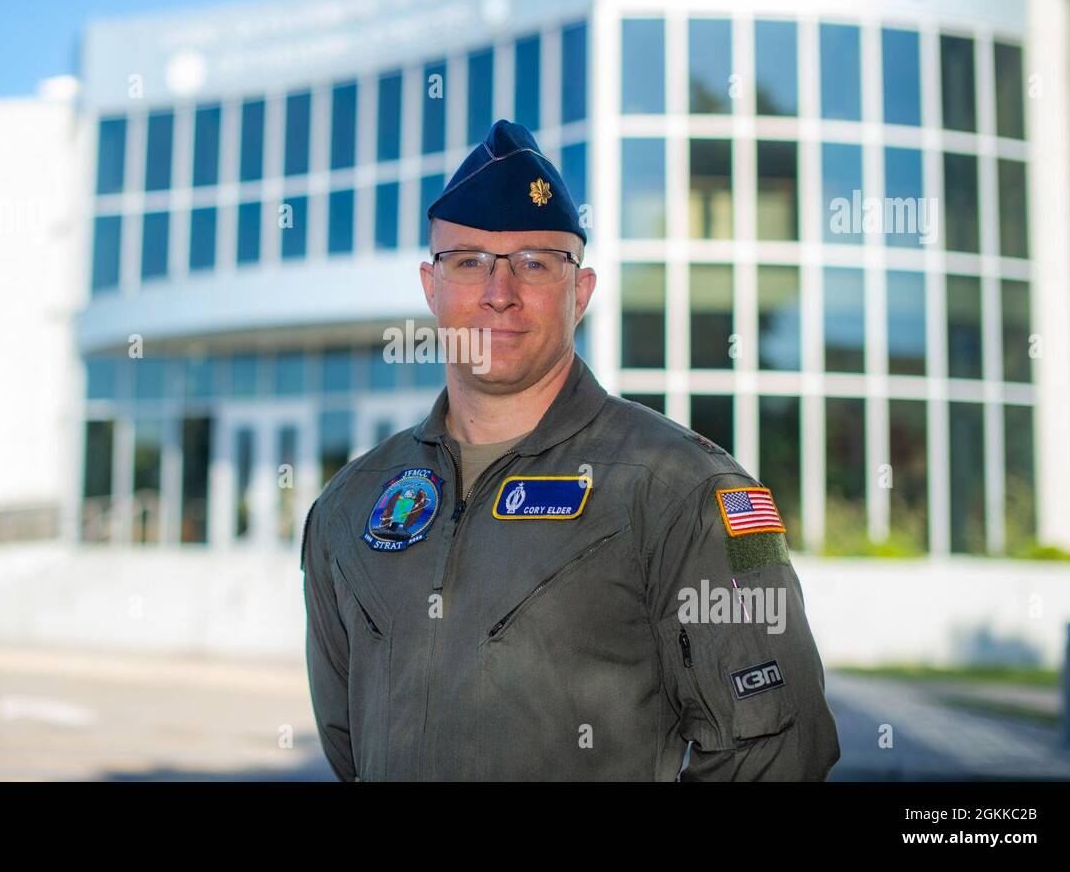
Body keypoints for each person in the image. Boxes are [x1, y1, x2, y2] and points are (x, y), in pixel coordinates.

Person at [301, 118, 841, 780]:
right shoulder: (349, 508)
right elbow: (350, 747)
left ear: (579, 293)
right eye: (469, 261)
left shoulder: (692, 491)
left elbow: (780, 751)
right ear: (430, 286)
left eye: (534, 262)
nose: (500, 292)